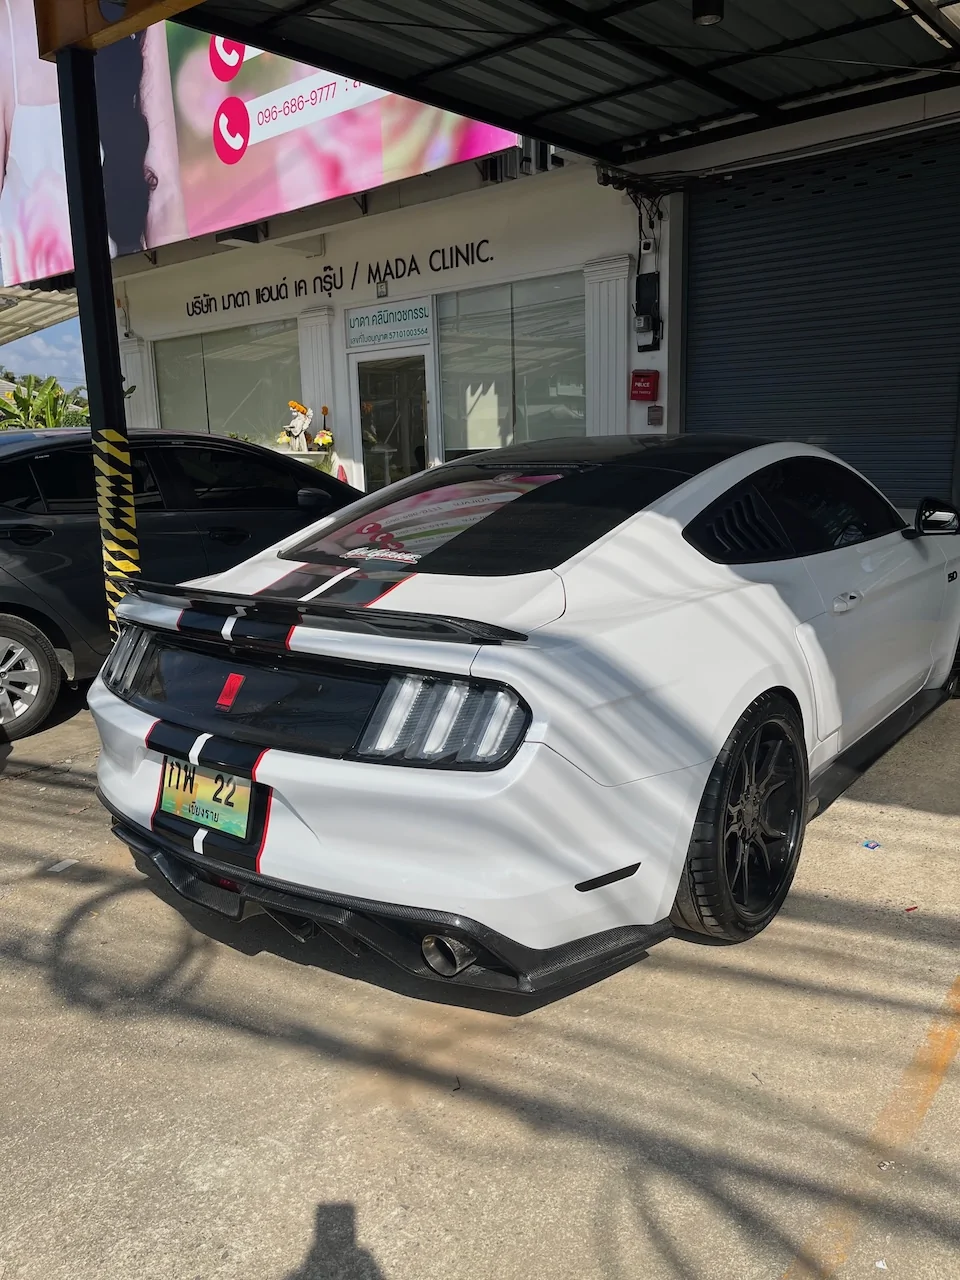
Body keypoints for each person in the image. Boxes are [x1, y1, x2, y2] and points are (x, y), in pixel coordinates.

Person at [0, 6, 186, 284]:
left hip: (132, 297)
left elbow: (165, 198)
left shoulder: (139, 13)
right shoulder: (6, 21)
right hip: (53, 314)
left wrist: (176, 297)